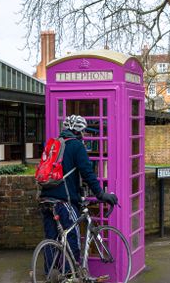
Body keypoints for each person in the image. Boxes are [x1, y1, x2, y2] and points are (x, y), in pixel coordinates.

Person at [40, 115, 118, 270]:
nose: (84, 135)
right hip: (64, 200)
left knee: (52, 238)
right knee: (72, 238)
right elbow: (87, 173)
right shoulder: (77, 146)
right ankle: (70, 278)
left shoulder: (54, 143)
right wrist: (101, 194)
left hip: (45, 198)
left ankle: (51, 275)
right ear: (78, 131)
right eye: (83, 131)